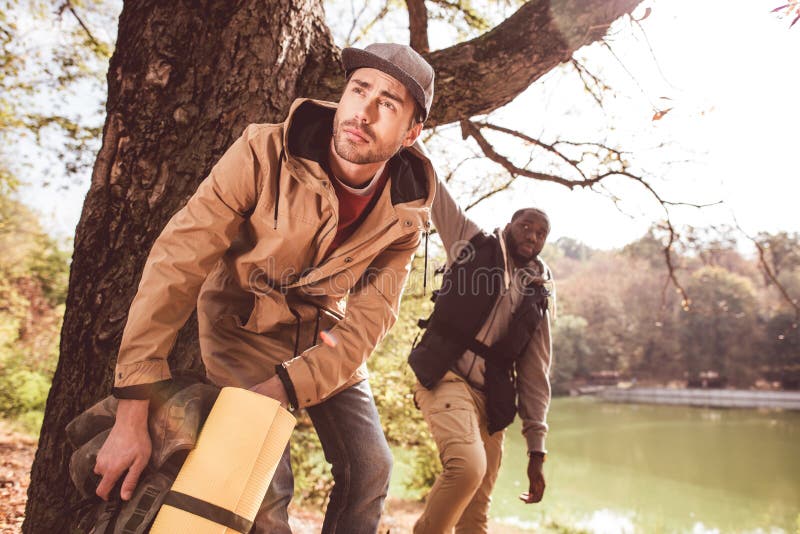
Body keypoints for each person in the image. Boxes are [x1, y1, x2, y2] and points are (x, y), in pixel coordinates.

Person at [92, 43, 436, 534]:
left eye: (389, 103)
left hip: (328, 342)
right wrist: (133, 404)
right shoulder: (263, 150)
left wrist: (291, 384)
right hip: (243, 328)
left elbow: (371, 319)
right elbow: (178, 261)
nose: (364, 111)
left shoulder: (408, 212)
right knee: (265, 497)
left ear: (411, 132)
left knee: (371, 469)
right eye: (359, 89)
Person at [408, 179, 554, 533]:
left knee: (476, 512)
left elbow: (536, 372)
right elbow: (438, 193)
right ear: (510, 226)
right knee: (466, 469)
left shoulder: (538, 293)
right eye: (526, 226)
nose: (532, 235)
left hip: (492, 399)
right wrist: (409, 131)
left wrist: (537, 451)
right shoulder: (472, 243)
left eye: (541, 232)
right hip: (445, 377)